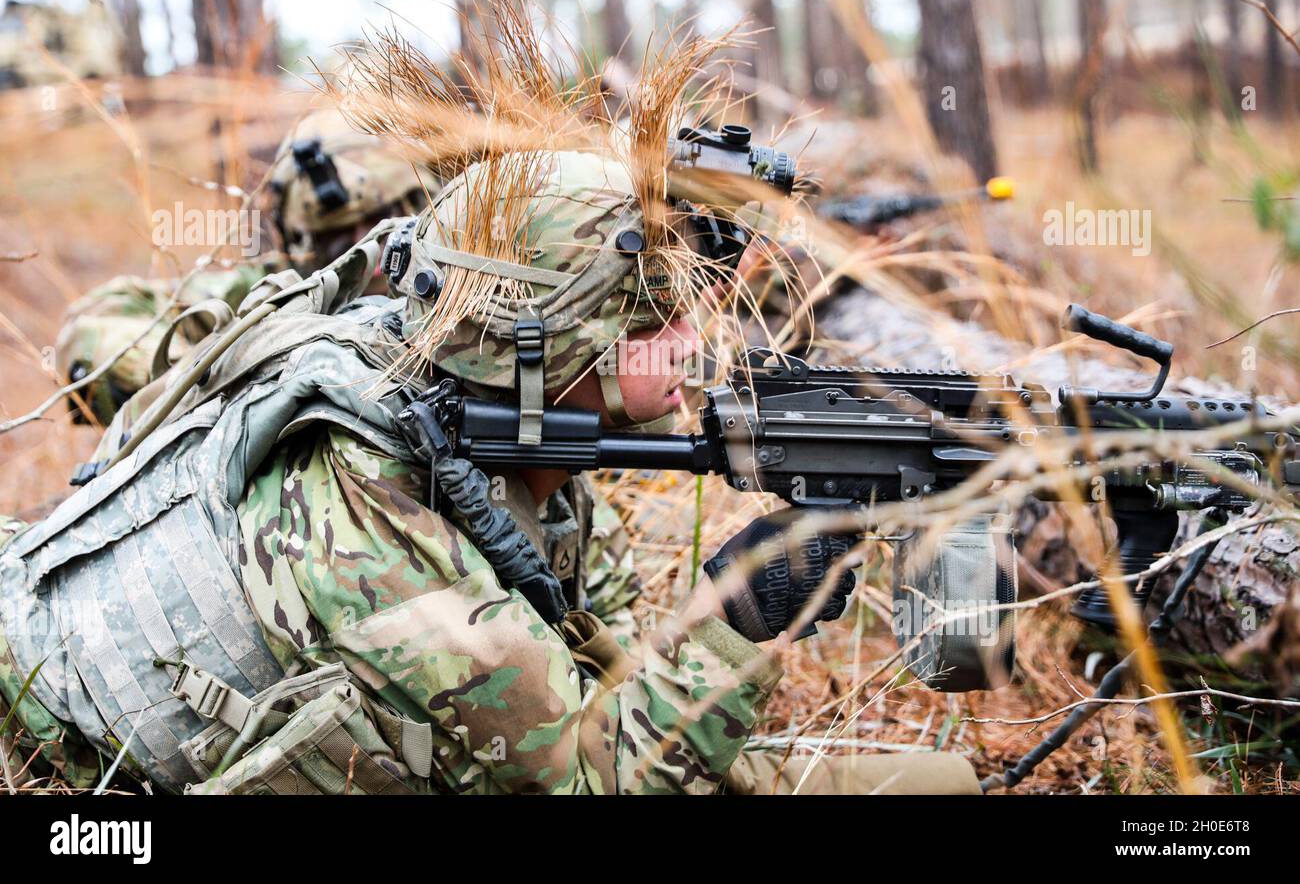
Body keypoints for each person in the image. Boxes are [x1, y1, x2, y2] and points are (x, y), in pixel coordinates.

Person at [0, 143, 980, 795]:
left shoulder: (515, 440)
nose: (695, 339)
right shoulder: (359, 500)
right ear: (550, 341)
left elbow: (606, 687)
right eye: (655, 317)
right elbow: (594, 776)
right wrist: (737, 610)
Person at [53, 109, 439, 426]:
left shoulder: (472, 280)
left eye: (383, 222)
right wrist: (214, 375)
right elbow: (93, 323)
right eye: (339, 237)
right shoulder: (279, 292)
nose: (368, 247)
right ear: (300, 241)